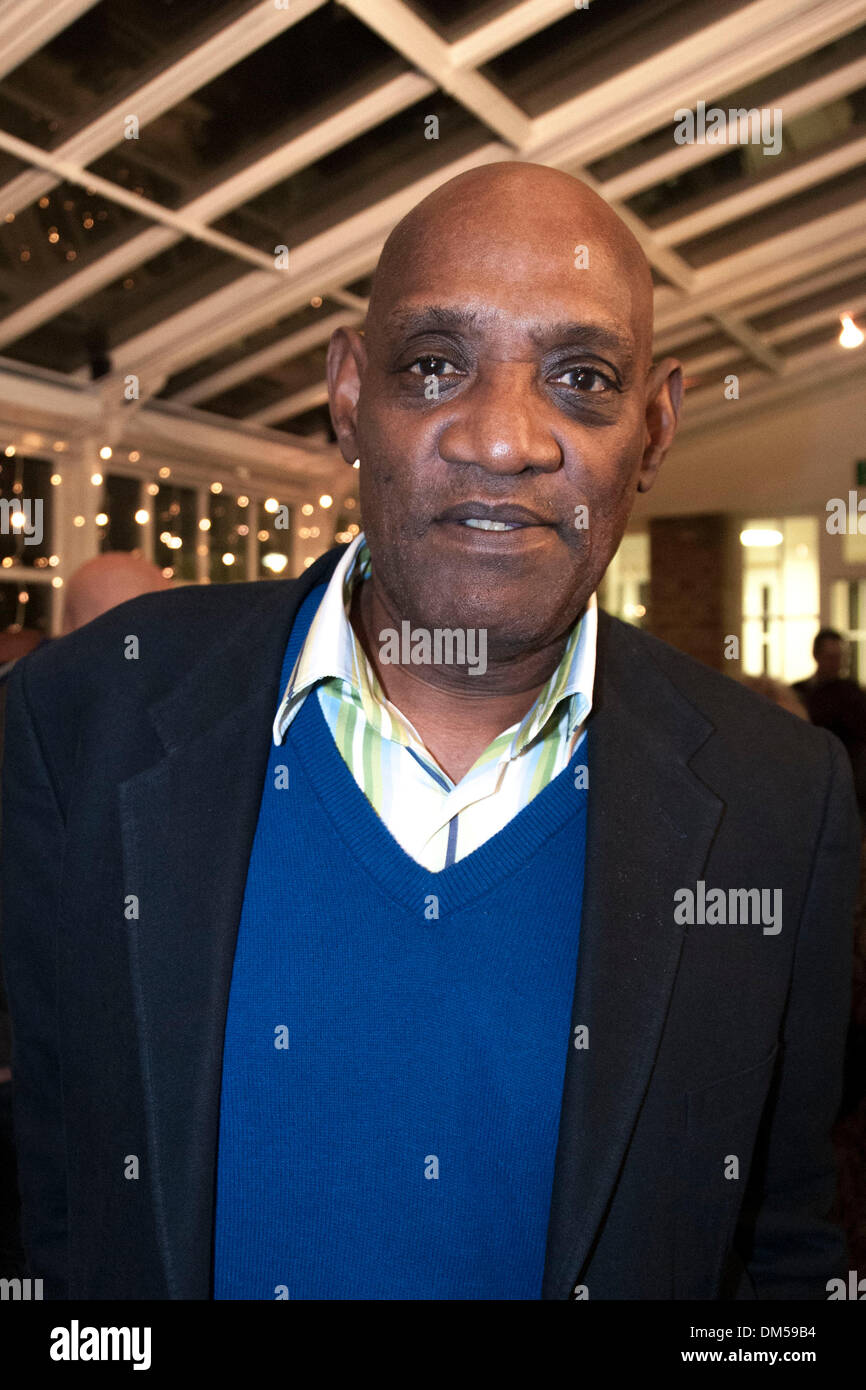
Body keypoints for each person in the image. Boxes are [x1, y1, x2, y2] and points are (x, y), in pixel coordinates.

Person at [1, 163, 860, 1302]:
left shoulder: (776, 804)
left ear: (654, 428)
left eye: (582, 377)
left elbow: (778, 1243)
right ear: (351, 395)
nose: (503, 439)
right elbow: (38, 1198)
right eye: (434, 364)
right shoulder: (82, 721)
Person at [793, 628, 866, 814]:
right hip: (806, 775)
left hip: (847, 776)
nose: (837, 664)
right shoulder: (798, 692)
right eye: (831, 657)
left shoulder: (853, 694)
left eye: (840, 657)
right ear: (816, 656)